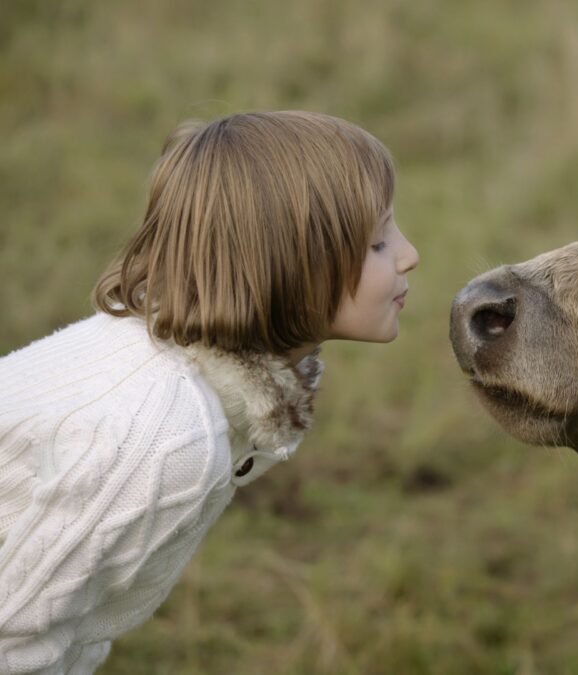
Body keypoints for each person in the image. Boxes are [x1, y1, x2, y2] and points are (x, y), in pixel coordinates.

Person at [0, 111, 419, 673]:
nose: (408, 252)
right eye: (376, 242)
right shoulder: (165, 438)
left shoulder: (169, 353)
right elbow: (15, 636)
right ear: (290, 266)